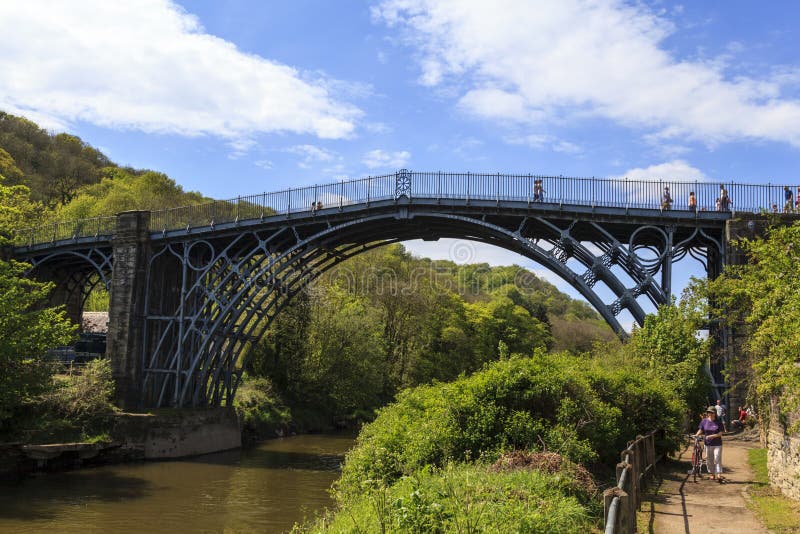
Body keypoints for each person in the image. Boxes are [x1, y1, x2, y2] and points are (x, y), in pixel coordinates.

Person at [697, 406, 725, 481]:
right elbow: (701, 430)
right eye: (709, 412)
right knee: (709, 460)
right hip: (707, 444)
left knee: (717, 458)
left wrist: (713, 436)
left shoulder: (718, 422)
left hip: (717, 444)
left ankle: (719, 475)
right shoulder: (704, 421)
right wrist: (696, 435)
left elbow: (720, 433)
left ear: (715, 413)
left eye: (712, 412)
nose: (710, 414)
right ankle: (712, 474)